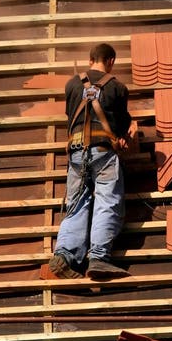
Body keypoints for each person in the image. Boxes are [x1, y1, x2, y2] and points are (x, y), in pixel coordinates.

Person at [48, 43, 132, 281]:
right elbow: (123, 125)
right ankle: (98, 258)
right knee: (107, 202)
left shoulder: (72, 84)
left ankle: (64, 256)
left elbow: (71, 117)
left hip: (76, 154)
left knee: (76, 205)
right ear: (111, 61)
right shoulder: (117, 87)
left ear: (90, 59)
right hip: (104, 153)